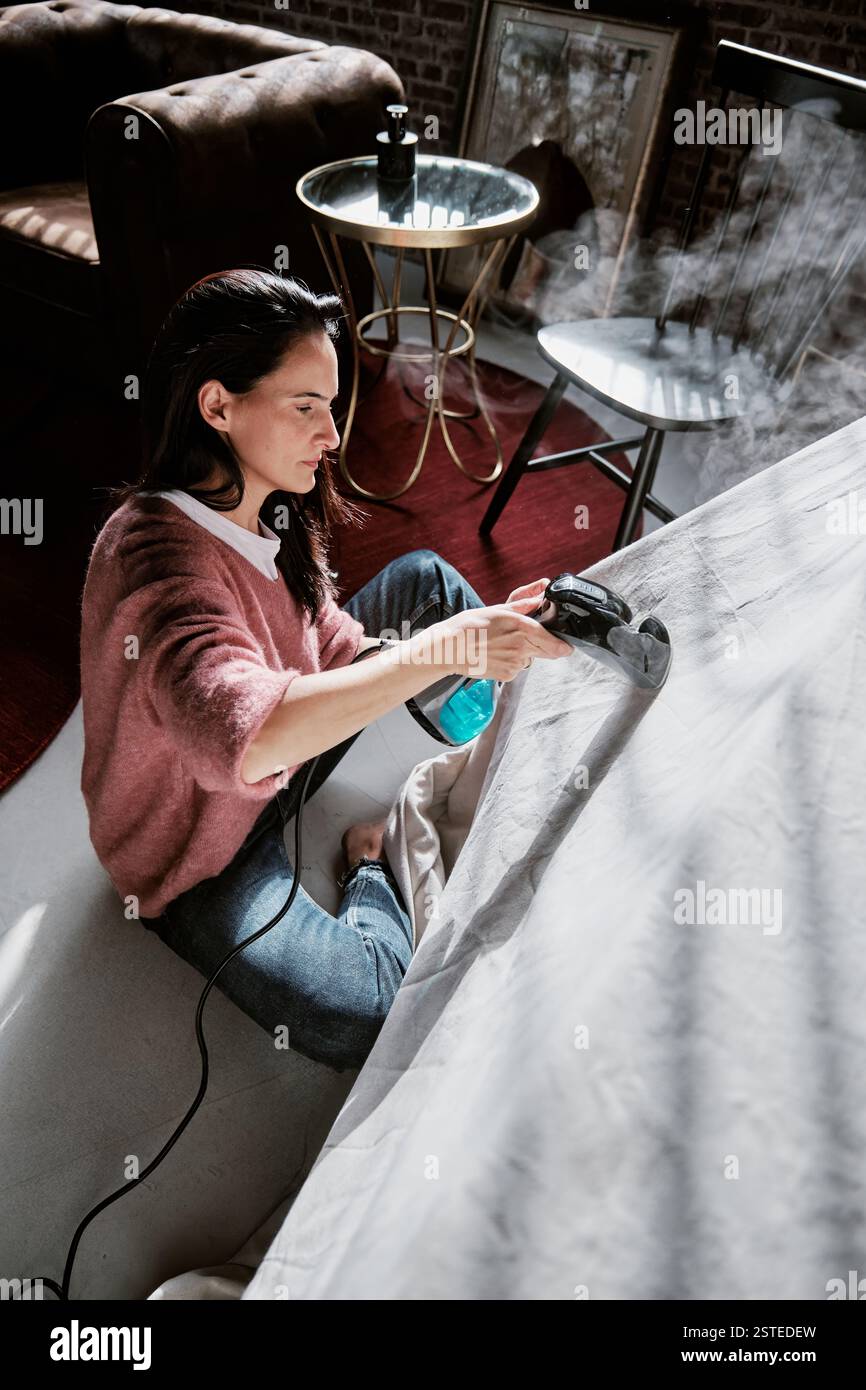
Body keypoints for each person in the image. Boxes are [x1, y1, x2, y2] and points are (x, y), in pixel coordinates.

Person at [79, 268, 571, 1073]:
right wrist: (444, 651)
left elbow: (325, 638)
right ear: (217, 405)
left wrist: (476, 635)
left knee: (428, 584)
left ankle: (497, 749)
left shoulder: (264, 506)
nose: (333, 435)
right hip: (198, 847)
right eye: (306, 407)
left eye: (331, 406)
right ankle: (372, 862)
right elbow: (239, 738)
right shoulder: (154, 563)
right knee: (369, 1014)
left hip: (283, 748)